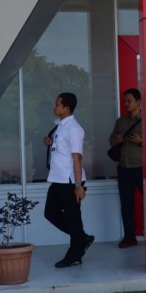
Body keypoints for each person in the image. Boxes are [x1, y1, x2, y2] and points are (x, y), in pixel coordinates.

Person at [44, 92, 95, 268]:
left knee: (73, 219)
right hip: (57, 179)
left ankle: (74, 253)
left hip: (70, 181)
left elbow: (77, 158)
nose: (54, 107)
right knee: (50, 213)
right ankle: (82, 238)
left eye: (57, 104)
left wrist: (79, 185)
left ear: (66, 108)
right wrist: (50, 142)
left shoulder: (74, 128)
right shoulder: (60, 126)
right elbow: (62, 148)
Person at [109, 88, 144, 248]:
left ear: (138, 101)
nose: (126, 104)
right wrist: (116, 140)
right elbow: (111, 141)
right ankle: (130, 237)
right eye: (125, 101)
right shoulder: (120, 121)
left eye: (129, 101)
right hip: (124, 168)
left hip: (141, 167)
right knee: (126, 204)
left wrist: (141, 141)